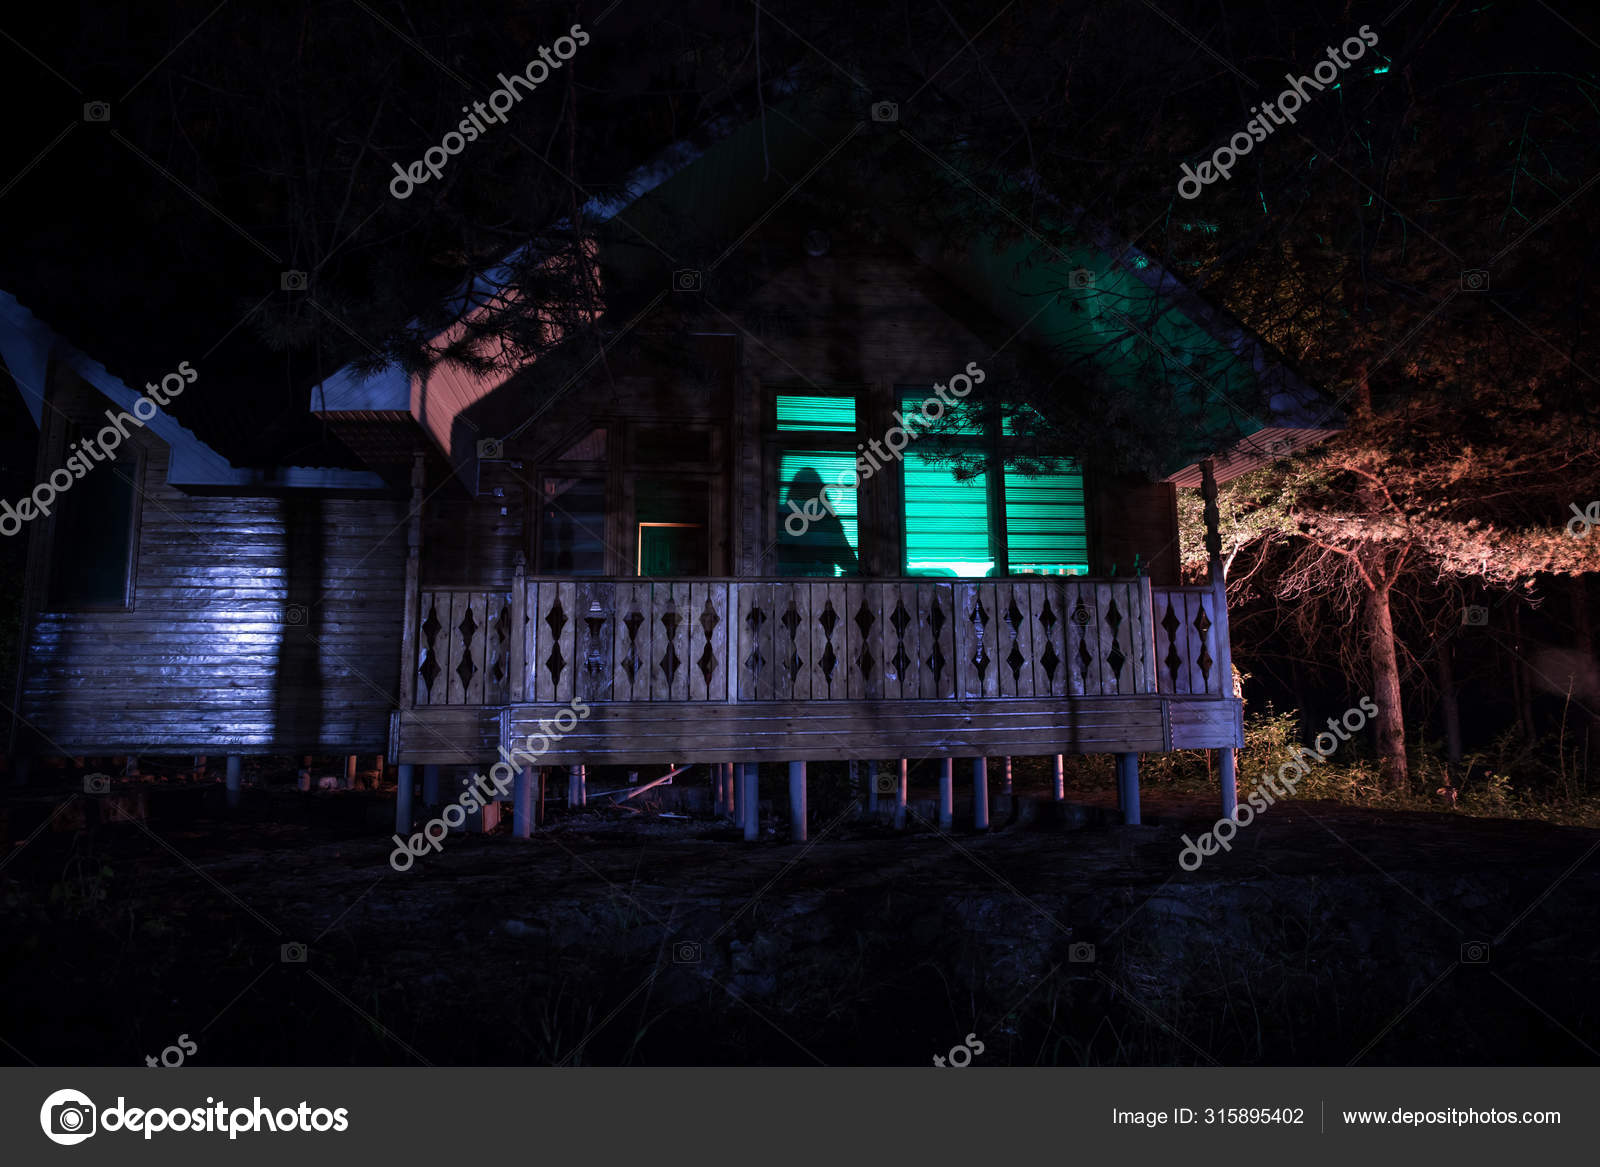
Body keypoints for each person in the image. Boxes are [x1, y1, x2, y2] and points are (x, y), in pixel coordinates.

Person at [780, 467, 859, 576]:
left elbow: (847, 559)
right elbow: (847, 560)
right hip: (822, 585)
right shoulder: (827, 517)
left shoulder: (781, 516)